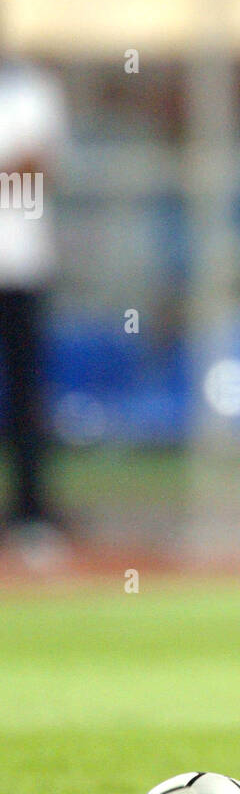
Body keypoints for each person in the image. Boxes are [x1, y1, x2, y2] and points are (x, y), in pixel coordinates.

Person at [0, 49, 68, 558]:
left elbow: (32, 175)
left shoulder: (31, 90)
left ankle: (30, 511)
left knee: (27, 396)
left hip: (20, 265)